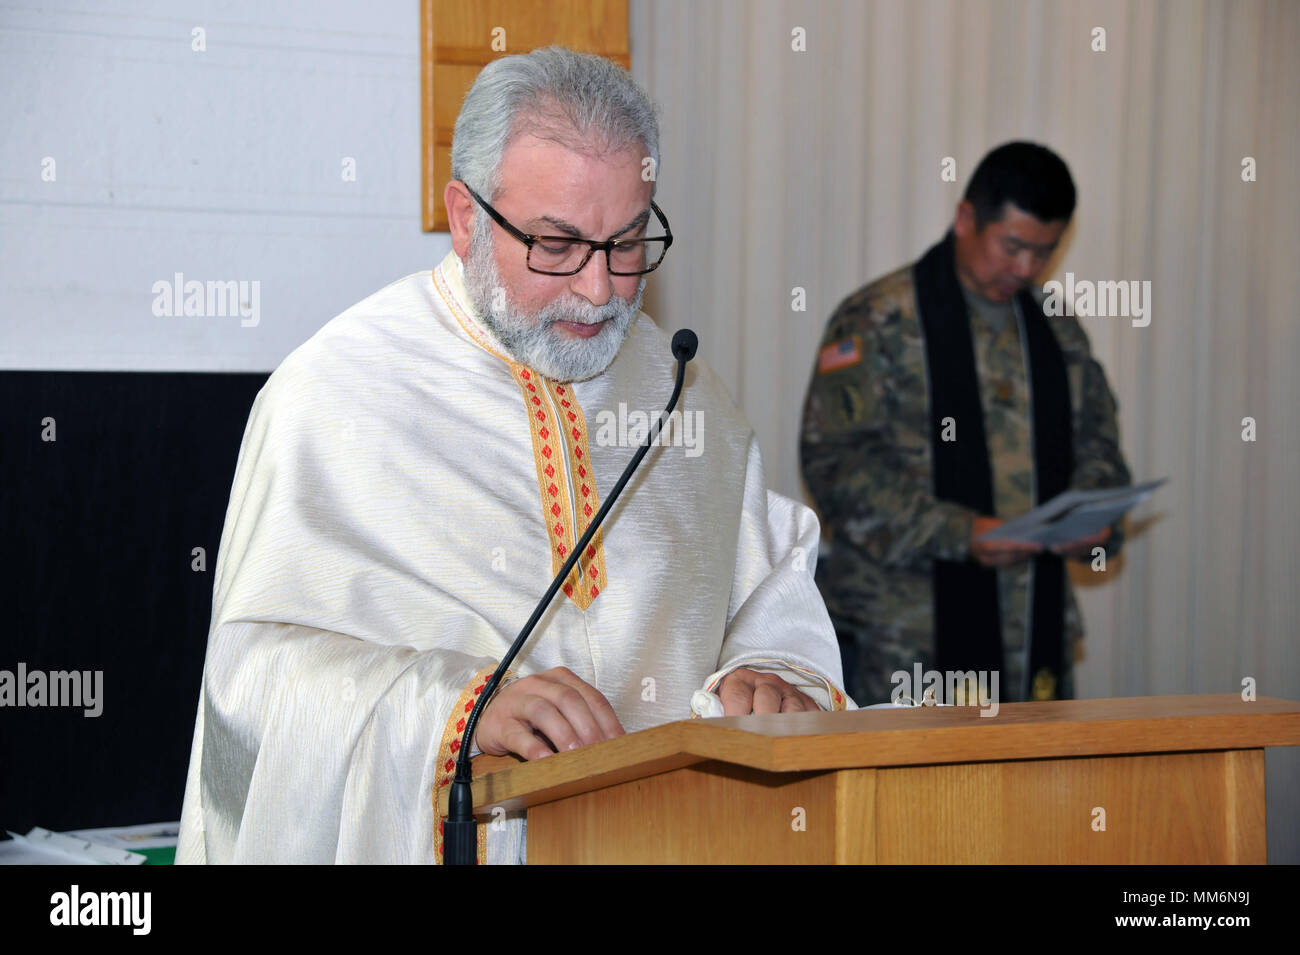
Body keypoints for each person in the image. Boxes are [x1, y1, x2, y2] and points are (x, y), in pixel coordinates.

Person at [177, 47, 849, 866]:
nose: (600, 289)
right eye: (558, 244)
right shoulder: (337, 392)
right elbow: (249, 687)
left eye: (628, 241)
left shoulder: (682, 393)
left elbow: (768, 602)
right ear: (466, 217)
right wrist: (457, 713)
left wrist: (773, 674)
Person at [800, 141, 1131, 708]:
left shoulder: (1057, 330)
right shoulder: (878, 319)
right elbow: (834, 468)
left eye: (1044, 252)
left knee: (1038, 795)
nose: (1026, 268)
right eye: (1013, 246)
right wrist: (962, 533)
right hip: (911, 639)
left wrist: (1094, 514)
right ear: (965, 219)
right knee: (917, 798)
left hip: (1033, 628)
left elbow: (1098, 445)